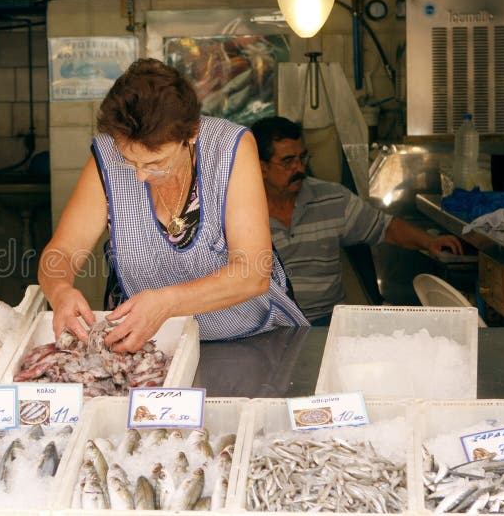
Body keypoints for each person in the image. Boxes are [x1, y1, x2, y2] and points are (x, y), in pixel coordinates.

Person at [39, 58, 308, 353]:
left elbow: (253, 273)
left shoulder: (231, 147)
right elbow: (62, 252)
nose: (140, 175)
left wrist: (168, 303)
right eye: (130, 161)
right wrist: (60, 291)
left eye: (156, 163)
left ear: (190, 134)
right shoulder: (107, 157)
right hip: (156, 345)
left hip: (254, 341)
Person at [250, 116, 464, 325]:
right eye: (288, 162)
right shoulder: (239, 211)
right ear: (262, 167)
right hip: (270, 326)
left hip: (326, 322)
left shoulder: (332, 198)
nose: (299, 168)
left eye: (302, 158)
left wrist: (429, 242)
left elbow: (386, 228)